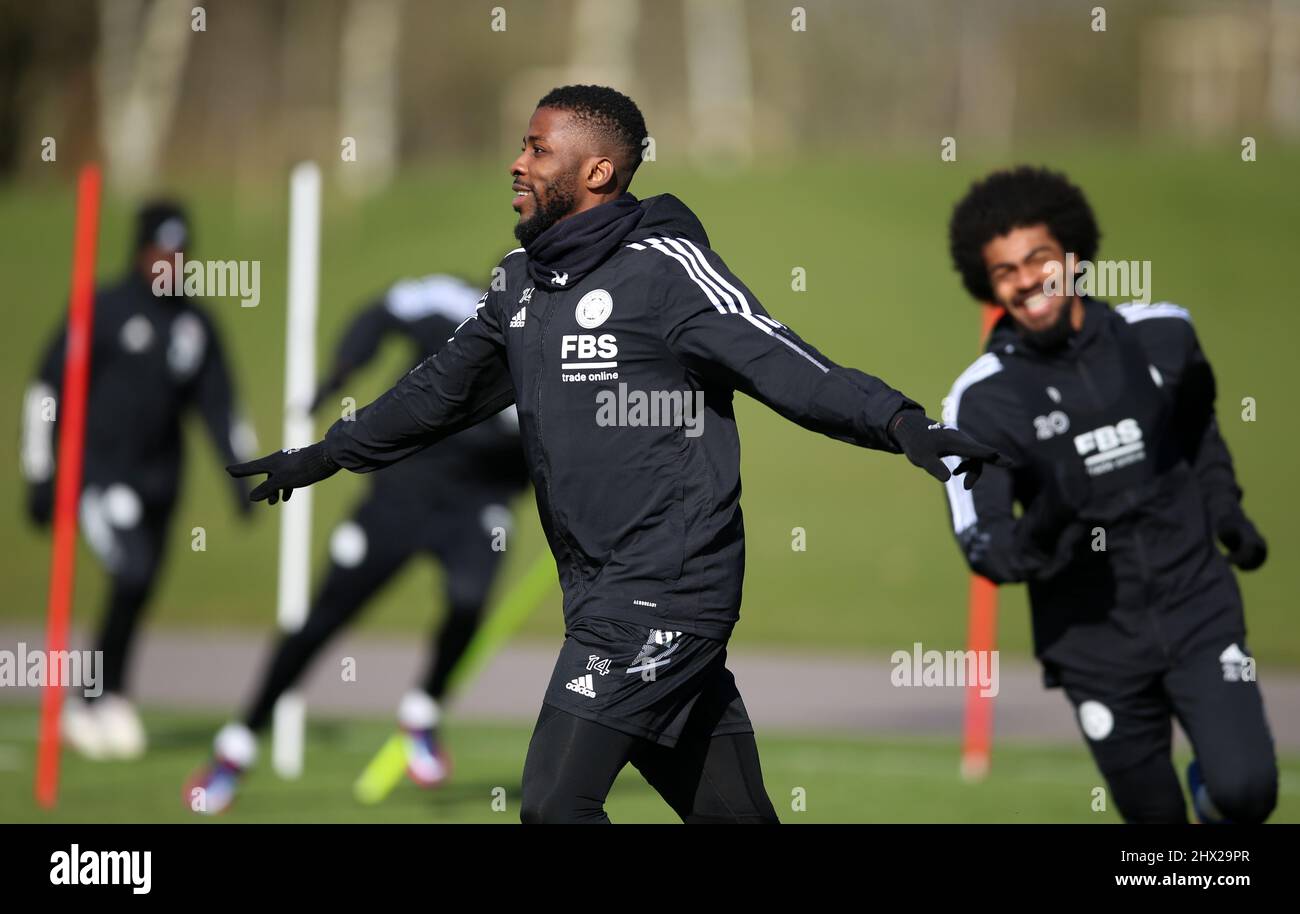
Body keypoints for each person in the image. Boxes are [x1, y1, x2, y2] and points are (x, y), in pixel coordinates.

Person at [228, 85, 1003, 823]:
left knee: (553, 804)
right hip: (598, 590)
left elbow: (782, 361)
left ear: (597, 171)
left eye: (537, 149)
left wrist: (900, 423)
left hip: (665, 590)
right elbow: (436, 393)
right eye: (521, 147)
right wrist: (325, 455)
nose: (517, 163)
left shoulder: (665, 272)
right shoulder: (519, 285)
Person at [941, 166, 1276, 823]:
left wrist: (1226, 511)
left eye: (1038, 258)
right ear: (988, 283)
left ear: (1071, 254)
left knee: (1245, 793)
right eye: (1005, 270)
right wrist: (1051, 514)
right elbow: (986, 548)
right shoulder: (979, 401)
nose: (1027, 280)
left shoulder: (1165, 335)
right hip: (1093, 647)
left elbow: (1199, 430)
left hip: (1198, 610)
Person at [185, 274, 528, 814]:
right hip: (402, 493)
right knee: (324, 620)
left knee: (467, 598)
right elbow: (381, 312)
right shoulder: (456, 307)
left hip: (476, 506)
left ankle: (423, 712)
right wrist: (342, 370)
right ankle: (238, 743)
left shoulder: (566, 356)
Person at [21, 200, 257, 759]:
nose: (169, 264)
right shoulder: (103, 310)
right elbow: (46, 390)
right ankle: (92, 699)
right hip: (99, 476)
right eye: (160, 252)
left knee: (140, 586)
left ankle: (106, 695)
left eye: (179, 254)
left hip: (161, 482)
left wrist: (241, 477)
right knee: (131, 570)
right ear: (140, 251)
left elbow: (221, 405)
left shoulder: (194, 325)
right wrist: (41, 470)